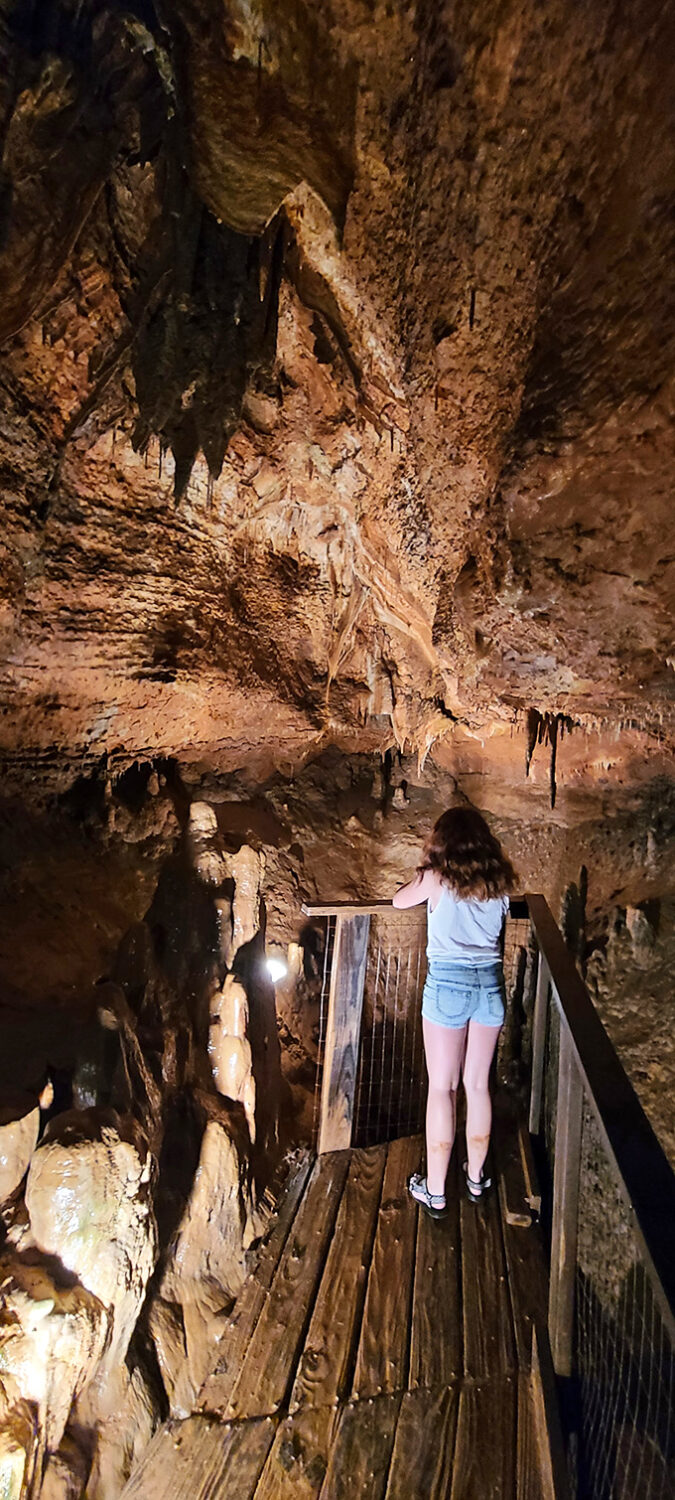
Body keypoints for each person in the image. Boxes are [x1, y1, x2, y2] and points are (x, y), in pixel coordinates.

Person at [392, 806, 516, 1217]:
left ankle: (436, 1190)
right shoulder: (498, 880)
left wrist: (424, 872)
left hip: (447, 986)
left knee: (442, 1088)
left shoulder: (436, 877)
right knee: (477, 1086)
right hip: (490, 987)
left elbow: (398, 901)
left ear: (441, 842)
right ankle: (476, 1179)